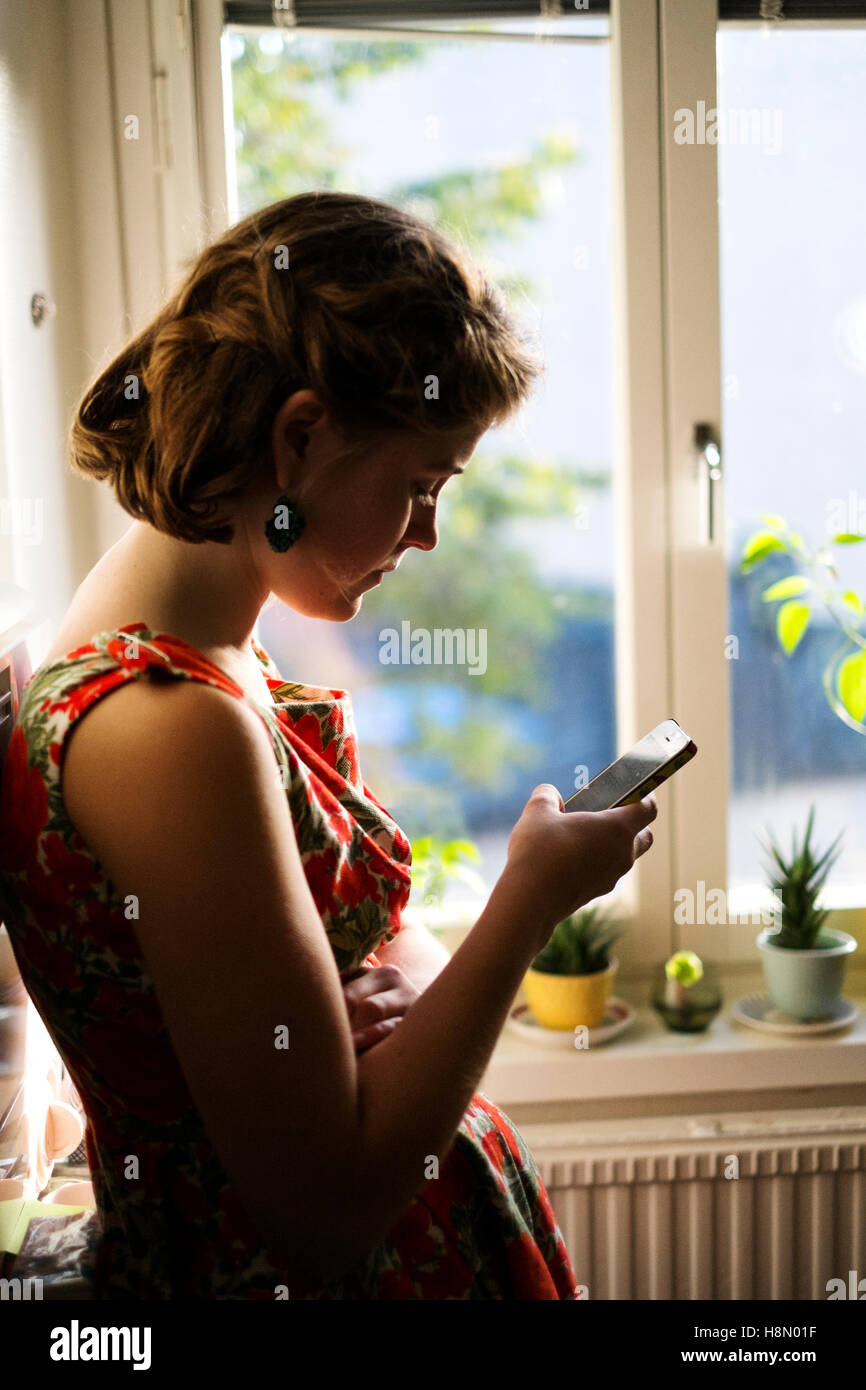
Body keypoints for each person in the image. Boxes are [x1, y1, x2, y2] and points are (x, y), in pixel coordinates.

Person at [0, 191, 657, 1299]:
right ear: (300, 435)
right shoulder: (173, 727)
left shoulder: (204, 659)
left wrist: (402, 976)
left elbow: (384, 953)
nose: (427, 533)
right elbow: (325, 1206)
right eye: (416, 484)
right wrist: (527, 905)